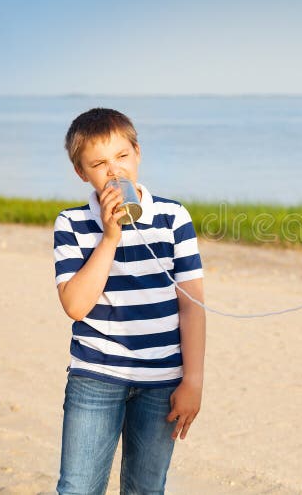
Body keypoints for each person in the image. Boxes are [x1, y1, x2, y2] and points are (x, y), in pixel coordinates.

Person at [53, 108, 206, 494]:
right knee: (78, 487)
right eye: (99, 164)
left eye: (122, 156)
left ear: (138, 153)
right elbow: (75, 305)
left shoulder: (173, 217)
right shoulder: (70, 224)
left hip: (162, 382)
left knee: (145, 488)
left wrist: (194, 380)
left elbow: (192, 305)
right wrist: (109, 237)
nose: (114, 171)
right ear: (81, 173)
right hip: (96, 377)